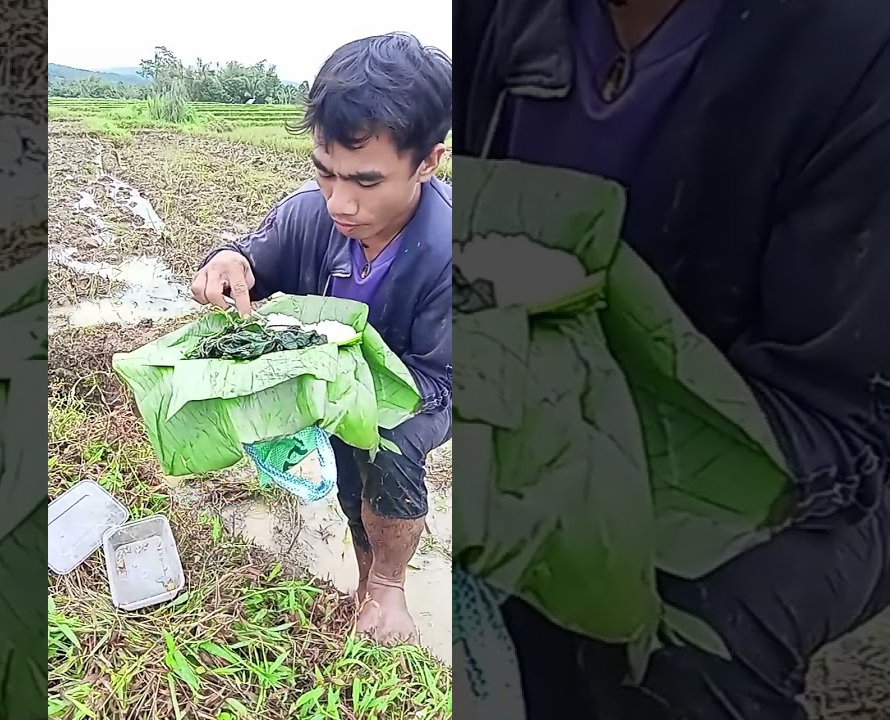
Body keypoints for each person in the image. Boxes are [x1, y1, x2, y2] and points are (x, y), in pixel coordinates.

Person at [459, 0, 890, 718]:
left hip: (807, 458)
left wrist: (558, 487)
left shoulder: (857, 50)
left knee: (671, 653)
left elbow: (840, 420)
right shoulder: (497, 21)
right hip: (559, 400)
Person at [189, 33, 453, 644]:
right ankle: (364, 573)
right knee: (347, 471)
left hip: (427, 379)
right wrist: (229, 261)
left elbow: (439, 381)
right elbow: (252, 256)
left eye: (365, 180)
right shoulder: (309, 214)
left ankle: (387, 586)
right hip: (337, 378)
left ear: (427, 161)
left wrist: (360, 398)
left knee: (384, 443)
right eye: (324, 172)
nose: (340, 201)